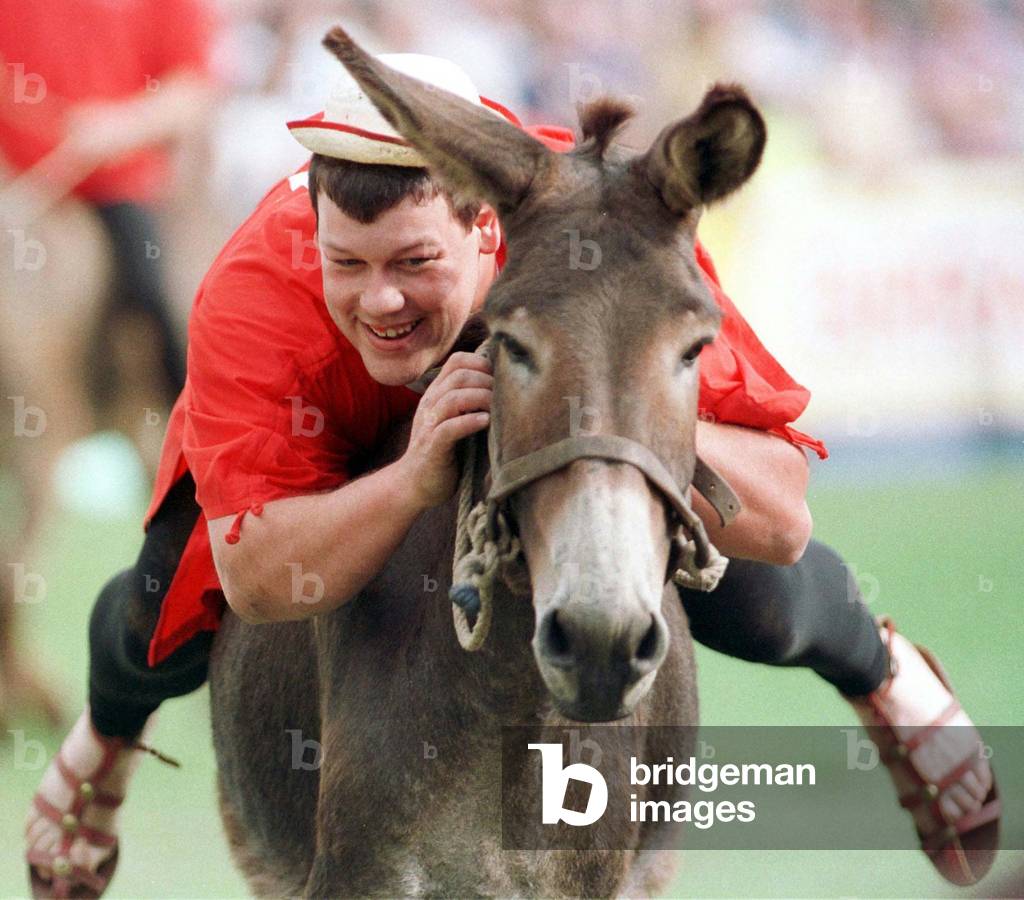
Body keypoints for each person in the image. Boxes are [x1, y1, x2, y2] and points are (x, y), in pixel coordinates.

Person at [24, 50, 998, 897]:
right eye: (346, 266)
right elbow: (259, 579)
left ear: (488, 235)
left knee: (760, 600)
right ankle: (102, 744)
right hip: (335, 445)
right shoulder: (256, 293)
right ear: (310, 229)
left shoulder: (601, 228)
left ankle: (884, 677)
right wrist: (410, 479)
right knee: (164, 601)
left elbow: (780, 516)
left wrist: (626, 415)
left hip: (556, 403)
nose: (381, 301)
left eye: (413, 261)